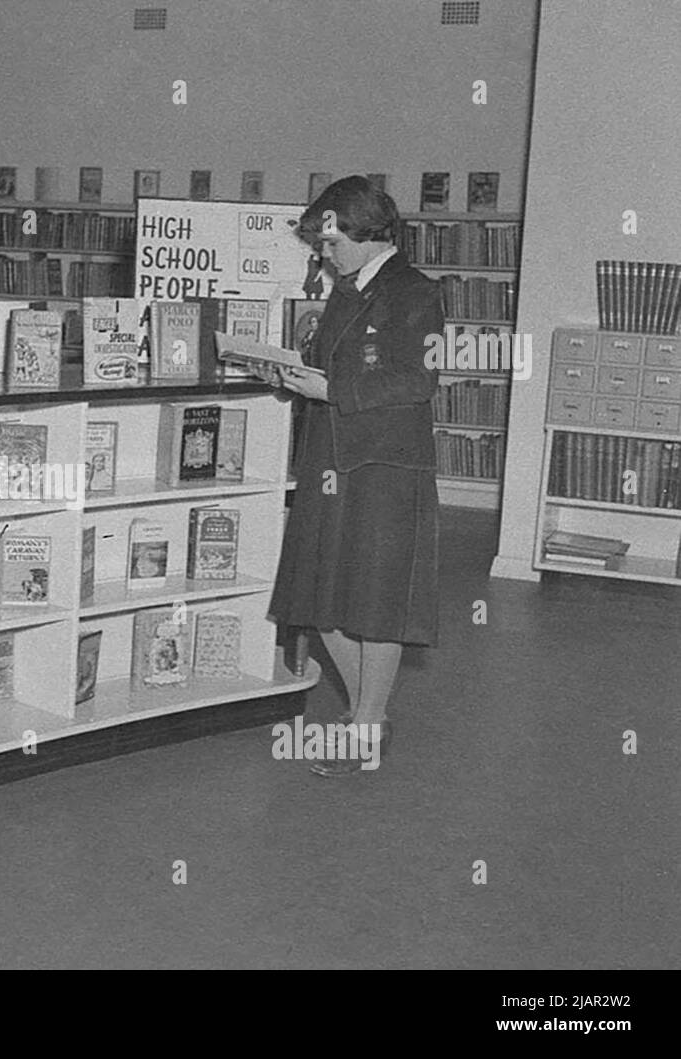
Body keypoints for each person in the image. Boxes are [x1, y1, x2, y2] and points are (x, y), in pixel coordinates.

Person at [270, 175, 442, 776]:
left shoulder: (416, 292)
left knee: (376, 603)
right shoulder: (346, 288)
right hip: (329, 460)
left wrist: (333, 388)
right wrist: (289, 369)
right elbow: (326, 366)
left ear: (365, 231)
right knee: (320, 603)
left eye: (329, 237)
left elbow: (416, 382)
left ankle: (365, 727)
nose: (321, 249)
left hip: (384, 466)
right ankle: (371, 717)